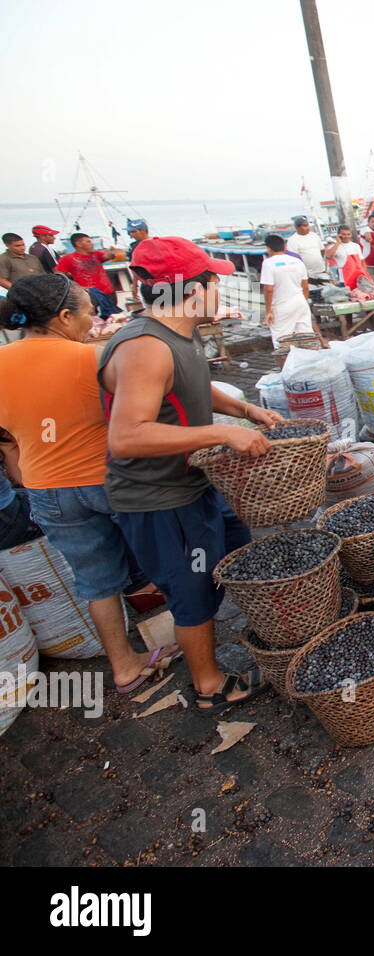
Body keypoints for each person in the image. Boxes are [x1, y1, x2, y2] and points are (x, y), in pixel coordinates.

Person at [99, 238, 283, 711]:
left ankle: (265, 631)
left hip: (196, 484)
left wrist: (244, 410)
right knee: (192, 587)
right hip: (159, 498)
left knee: (238, 552)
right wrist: (221, 435)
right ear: (193, 288)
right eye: (214, 280)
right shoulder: (145, 347)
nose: (221, 287)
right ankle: (208, 686)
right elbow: (127, 436)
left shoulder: (182, 332)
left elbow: (194, 386)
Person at [0, 273, 181, 692]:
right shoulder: (94, 359)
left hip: (47, 491)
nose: (93, 321)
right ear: (64, 316)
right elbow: (148, 411)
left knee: (96, 582)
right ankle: (191, 639)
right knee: (171, 559)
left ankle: (124, 666)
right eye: (88, 312)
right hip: (113, 481)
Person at [260, 234, 319, 346]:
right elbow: (305, 286)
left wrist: (268, 311)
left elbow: (268, 289)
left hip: (281, 305)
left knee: (282, 339)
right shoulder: (297, 261)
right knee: (306, 336)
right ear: (285, 247)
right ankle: (311, 359)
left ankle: (286, 362)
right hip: (300, 302)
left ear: (269, 248)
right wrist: (304, 301)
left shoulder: (268, 263)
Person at [55, 233, 124, 319]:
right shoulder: (67, 259)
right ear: (79, 244)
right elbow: (58, 276)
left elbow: (107, 256)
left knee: (113, 317)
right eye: (88, 242)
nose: (91, 244)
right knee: (94, 318)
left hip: (109, 292)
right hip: (90, 295)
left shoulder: (96, 254)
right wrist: (75, 287)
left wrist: (112, 252)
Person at [285, 216, 330, 281]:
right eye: (305, 226)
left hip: (321, 271)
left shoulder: (314, 235)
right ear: (297, 227)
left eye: (307, 225)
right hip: (307, 274)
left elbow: (322, 250)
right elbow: (293, 259)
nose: (308, 228)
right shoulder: (292, 240)